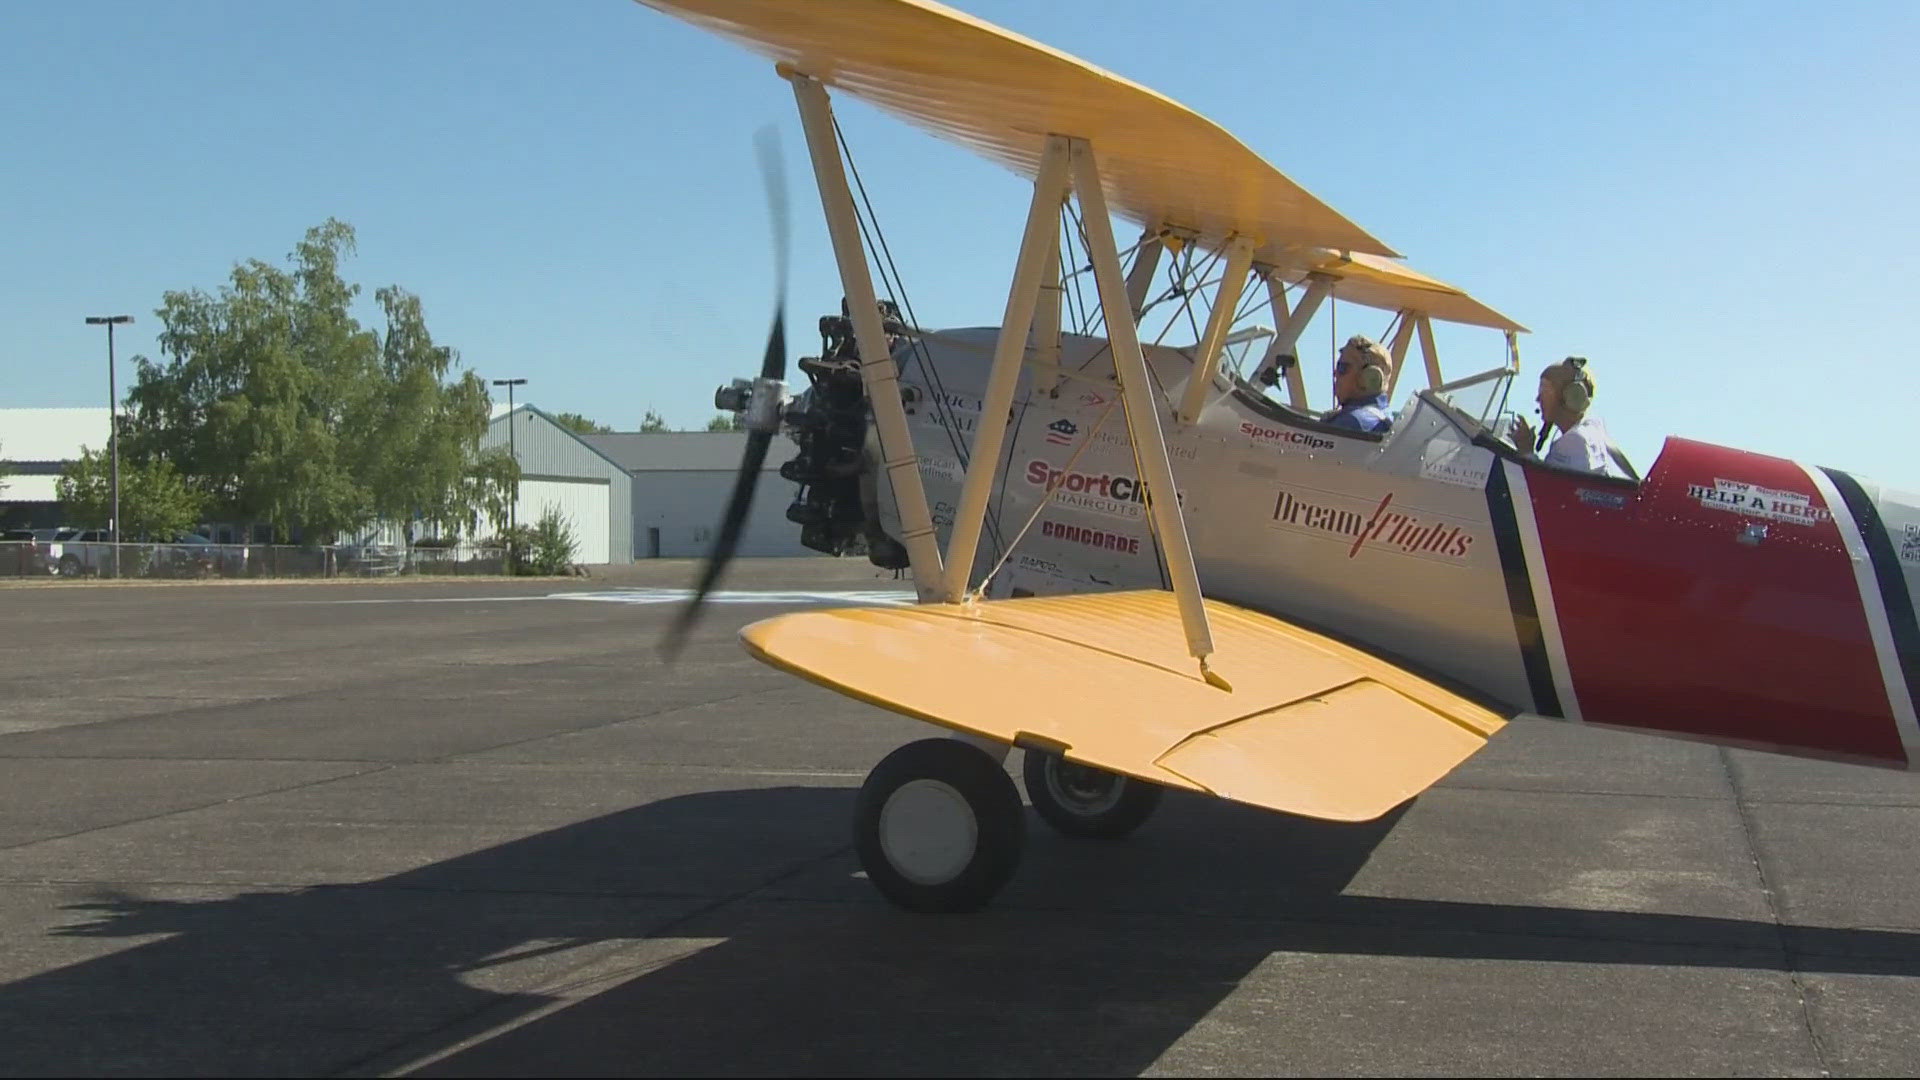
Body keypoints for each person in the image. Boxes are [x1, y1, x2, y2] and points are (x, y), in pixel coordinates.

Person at [1509, 356, 1616, 476]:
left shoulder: (1575, 441)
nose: (1538, 399)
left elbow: (1553, 489)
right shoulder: (1593, 433)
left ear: (1571, 396)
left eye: (1545, 391)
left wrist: (1526, 451)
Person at [1320, 335, 1394, 433]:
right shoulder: (1386, 418)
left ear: (1368, 377)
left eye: (1342, 367)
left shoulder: (1352, 422)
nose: (1335, 373)